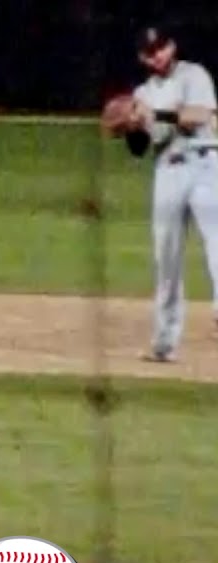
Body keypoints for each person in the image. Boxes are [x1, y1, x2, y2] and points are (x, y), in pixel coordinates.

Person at [118, 25, 218, 362]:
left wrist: (156, 114)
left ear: (172, 46)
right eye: (151, 51)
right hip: (167, 172)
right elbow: (140, 148)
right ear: (142, 57)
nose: (158, 54)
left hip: (206, 164)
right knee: (166, 259)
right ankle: (163, 344)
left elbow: (199, 116)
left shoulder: (194, 74)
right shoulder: (142, 94)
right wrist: (130, 127)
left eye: (161, 47)